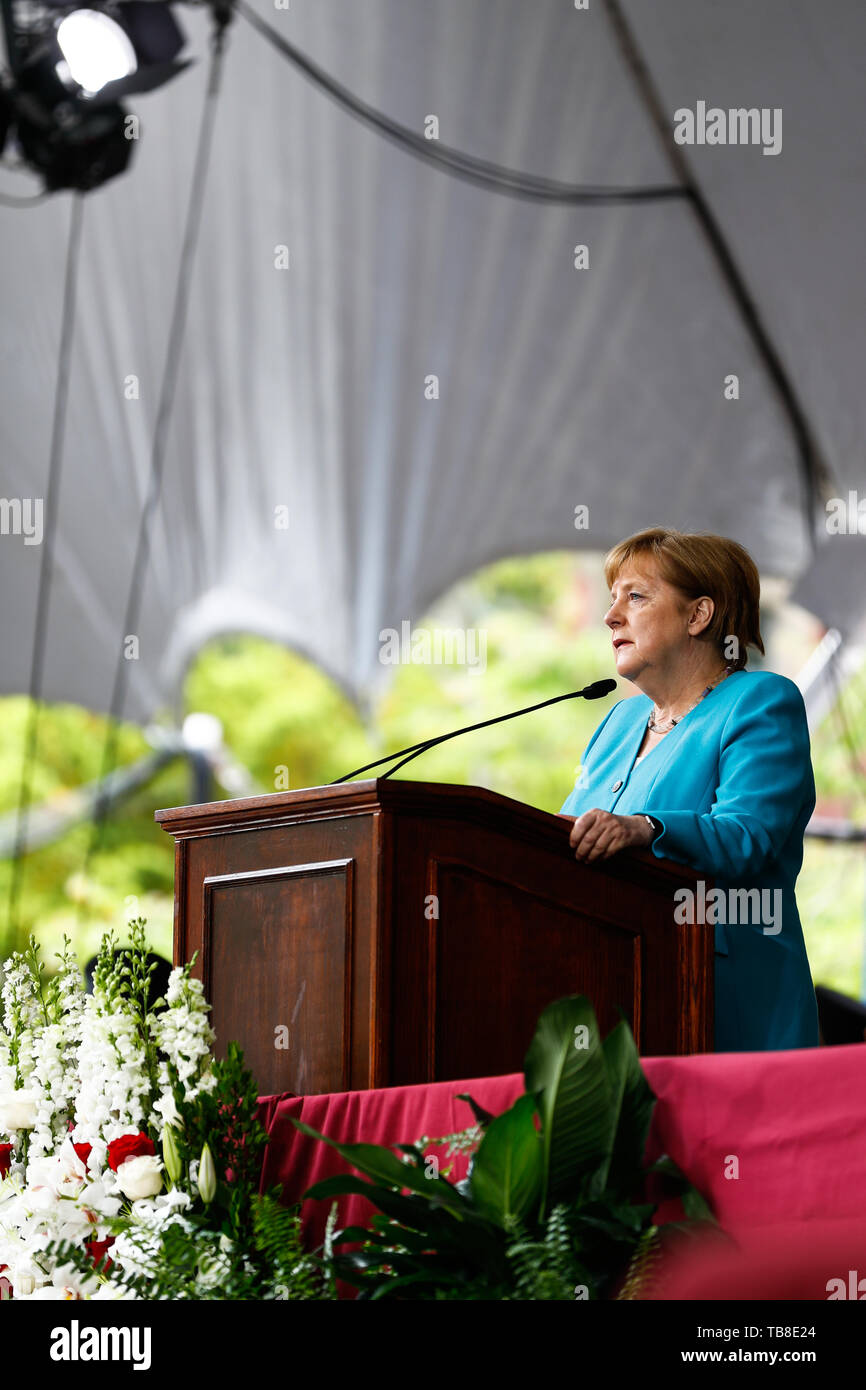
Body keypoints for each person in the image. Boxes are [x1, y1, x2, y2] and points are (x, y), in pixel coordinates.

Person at [558, 527, 818, 1052]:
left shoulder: (761, 701)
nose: (611, 617)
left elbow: (746, 837)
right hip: (612, 997)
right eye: (612, 600)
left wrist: (646, 828)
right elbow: (562, 842)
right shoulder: (619, 721)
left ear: (699, 616)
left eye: (635, 596)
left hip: (726, 1005)